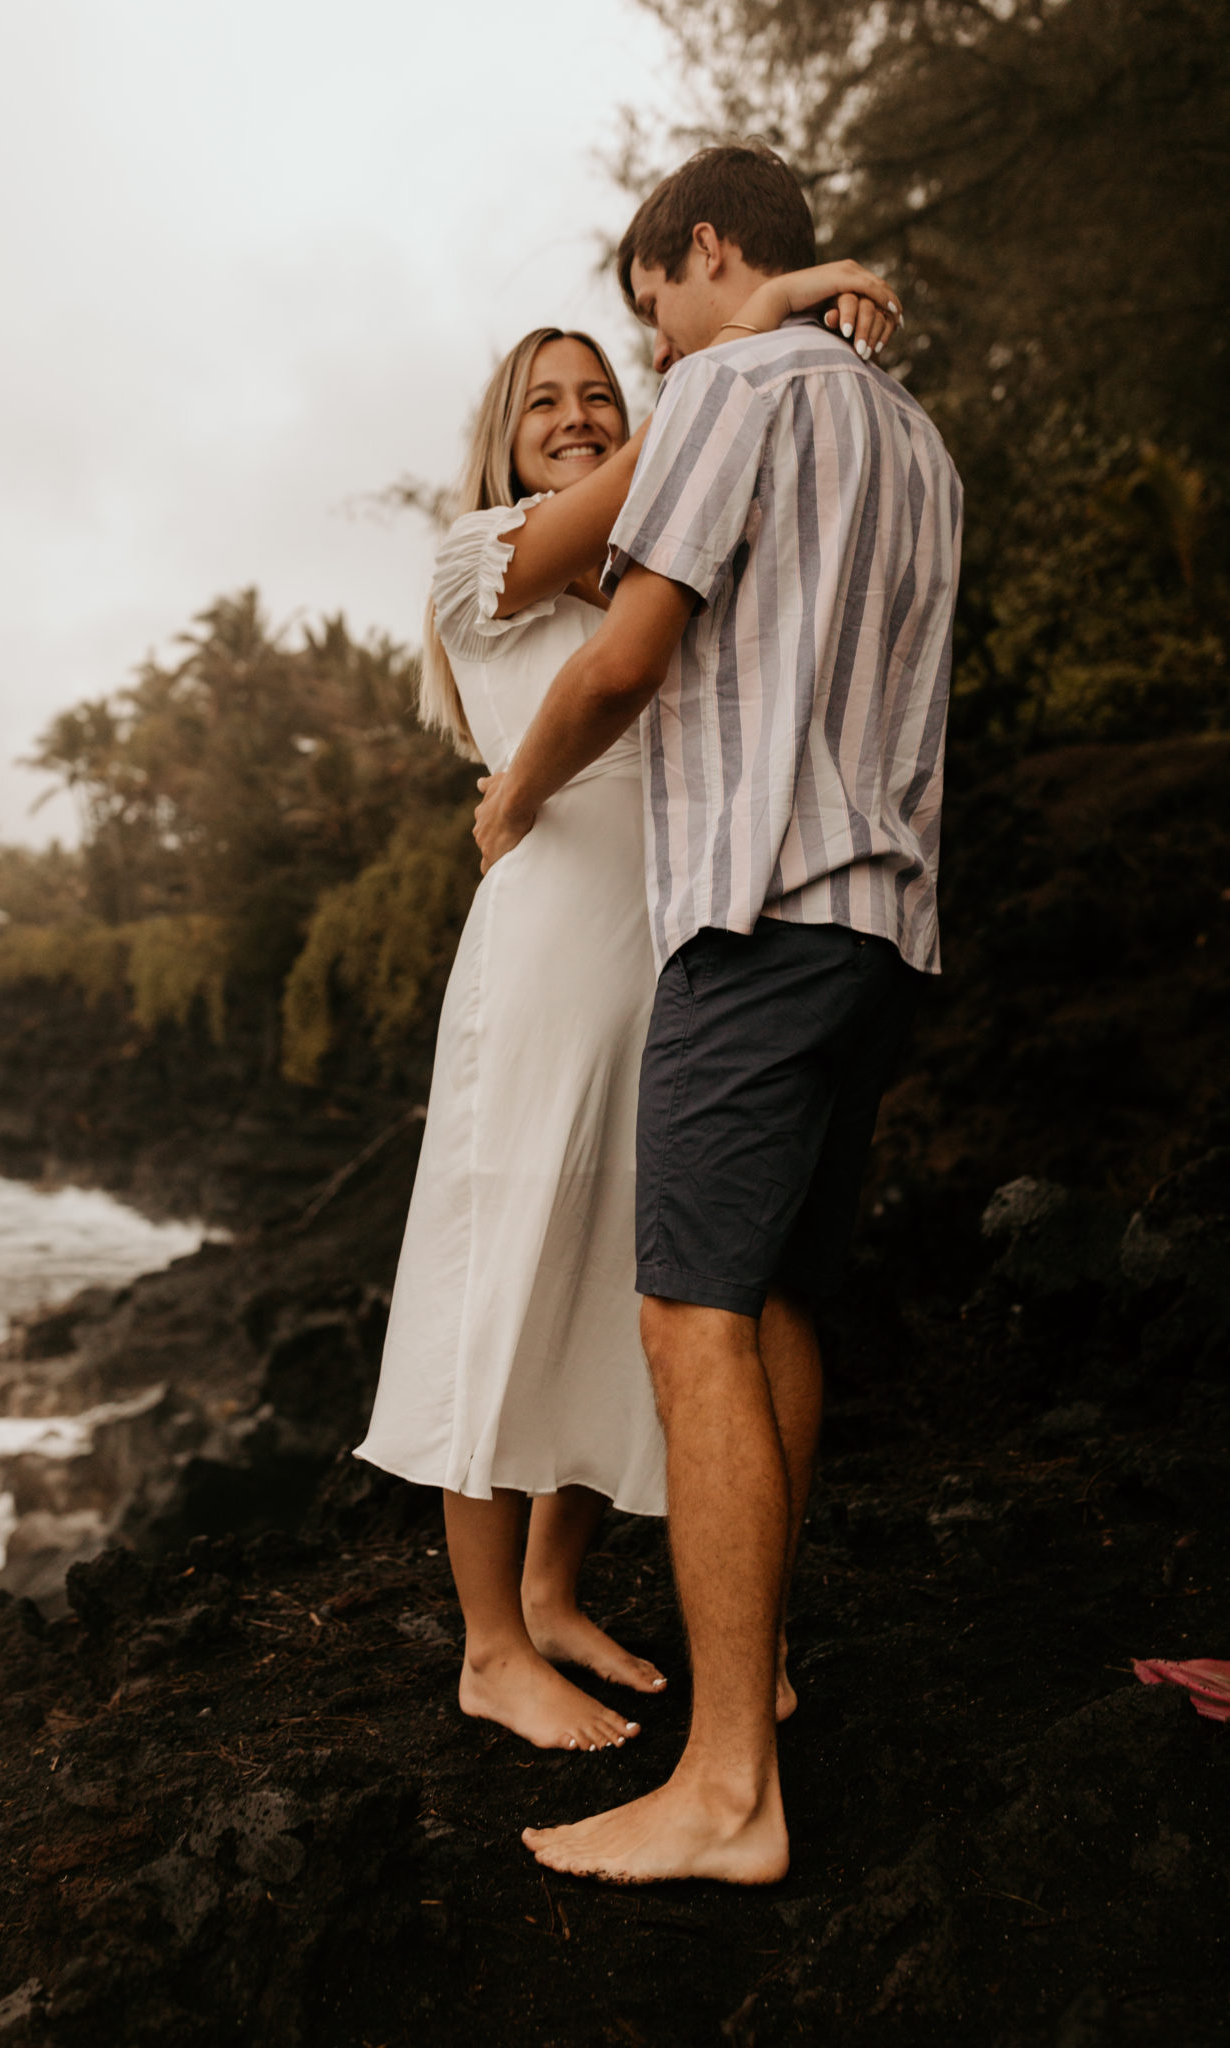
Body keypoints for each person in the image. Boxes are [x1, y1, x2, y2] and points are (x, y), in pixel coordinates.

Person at [473, 142, 962, 1879]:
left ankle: (727, 1788)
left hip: (752, 915)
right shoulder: (913, 434)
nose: (661, 349)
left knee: (685, 1319)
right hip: (881, 925)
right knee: (770, 1310)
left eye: (652, 312)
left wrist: (512, 793)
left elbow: (625, 651)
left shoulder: (738, 382)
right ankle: (759, 1690)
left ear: (697, 256)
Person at [355, 255, 902, 1755]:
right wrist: (760, 312)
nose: (583, 414)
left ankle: (548, 1592)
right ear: (502, 440)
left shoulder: (647, 570)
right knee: (502, 1271)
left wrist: (741, 343)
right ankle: (483, 1649)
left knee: (621, 1281)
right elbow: (694, 434)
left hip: (657, 959)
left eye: (599, 391)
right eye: (547, 401)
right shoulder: (486, 555)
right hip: (539, 965)